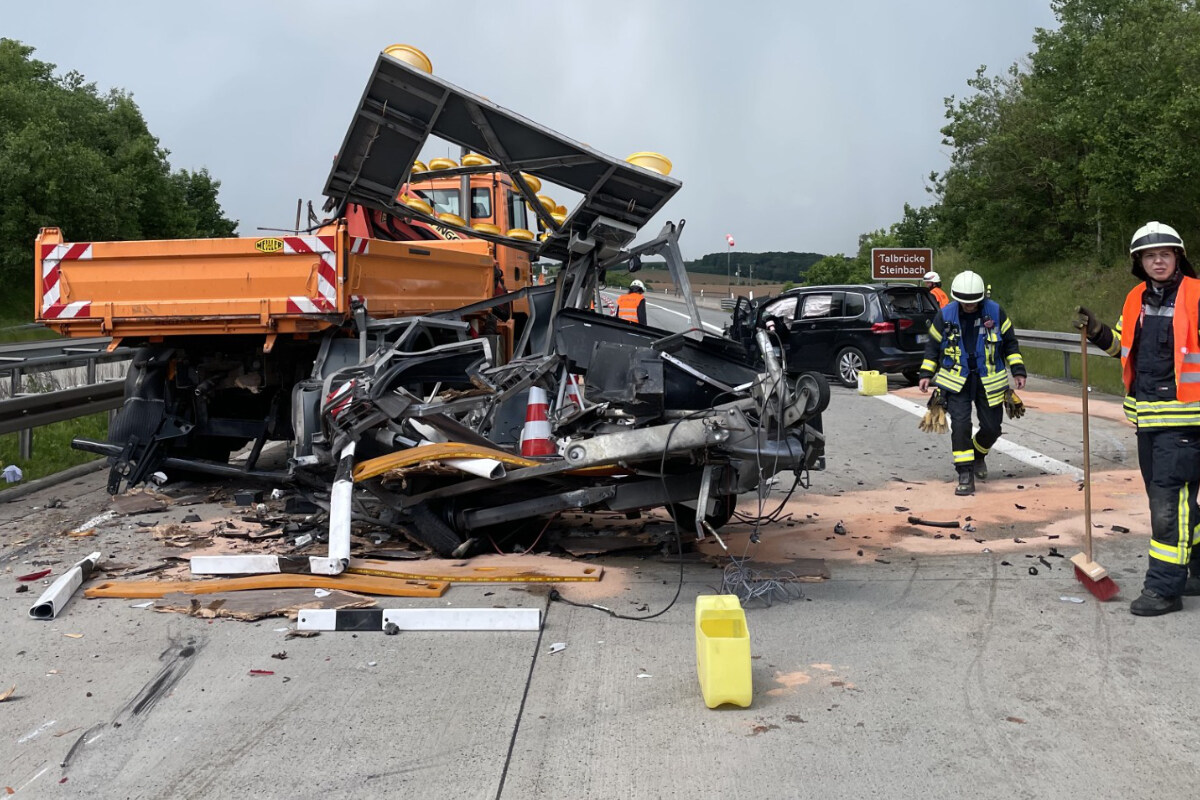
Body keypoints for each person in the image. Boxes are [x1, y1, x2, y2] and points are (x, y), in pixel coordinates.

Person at [1074, 221, 1200, 617]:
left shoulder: (1196, 296)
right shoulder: (1135, 300)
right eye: (1150, 255)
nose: (1157, 260)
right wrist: (1096, 332)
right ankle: (1194, 570)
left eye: (1164, 253)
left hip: (1185, 423)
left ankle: (1164, 588)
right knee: (1178, 504)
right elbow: (1122, 348)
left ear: (1178, 256)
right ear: (1139, 262)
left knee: (1168, 507)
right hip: (1149, 421)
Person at [918, 270, 1026, 496]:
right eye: (965, 303)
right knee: (960, 426)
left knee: (992, 428)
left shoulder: (995, 312)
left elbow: (1010, 343)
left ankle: (977, 455)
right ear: (957, 298)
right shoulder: (945, 315)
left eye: (974, 303)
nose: (969, 306)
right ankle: (964, 473)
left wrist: (1018, 370)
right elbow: (932, 346)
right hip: (957, 382)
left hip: (990, 380)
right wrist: (926, 373)